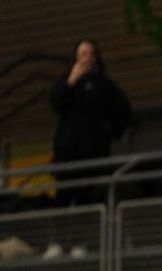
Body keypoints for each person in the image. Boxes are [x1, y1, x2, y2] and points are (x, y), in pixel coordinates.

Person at [49, 40, 131, 206]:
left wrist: (110, 132)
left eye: (89, 54)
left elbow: (122, 110)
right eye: (82, 54)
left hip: (93, 151)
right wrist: (70, 82)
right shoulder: (66, 81)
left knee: (86, 197)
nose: (86, 58)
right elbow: (56, 103)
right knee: (62, 197)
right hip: (68, 153)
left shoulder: (104, 85)